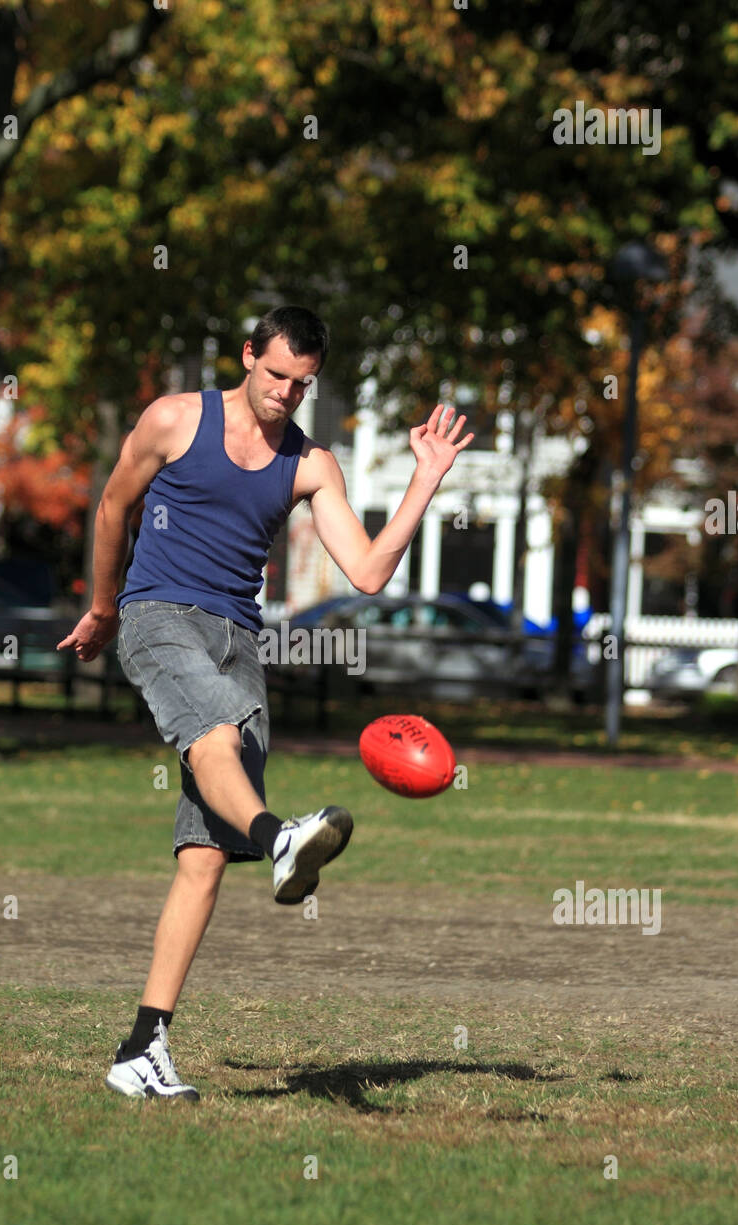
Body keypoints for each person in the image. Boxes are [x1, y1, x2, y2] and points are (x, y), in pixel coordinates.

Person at [57, 306, 473, 1101]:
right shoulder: (175, 419)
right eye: (276, 374)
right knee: (212, 735)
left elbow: (369, 573)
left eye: (302, 384)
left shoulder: (312, 464)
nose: (285, 392)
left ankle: (140, 1050)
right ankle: (280, 837)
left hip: (239, 642)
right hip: (157, 618)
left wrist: (424, 480)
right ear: (248, 356)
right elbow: (114, 506)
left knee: (205, 860)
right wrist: (105, 608)